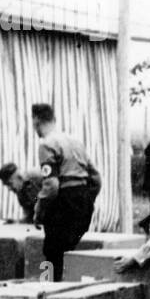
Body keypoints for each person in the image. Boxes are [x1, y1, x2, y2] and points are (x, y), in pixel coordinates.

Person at [32, 103, 102, 282]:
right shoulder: (76, 142)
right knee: (71, 252)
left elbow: (52, 185)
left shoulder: (46, 145)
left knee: (52, 253)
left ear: (36, 122)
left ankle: (50, 291)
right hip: (83, 203)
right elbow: (96, 179)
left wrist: (39, 212)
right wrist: (86, 200)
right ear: (54, 119)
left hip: (62, 204)